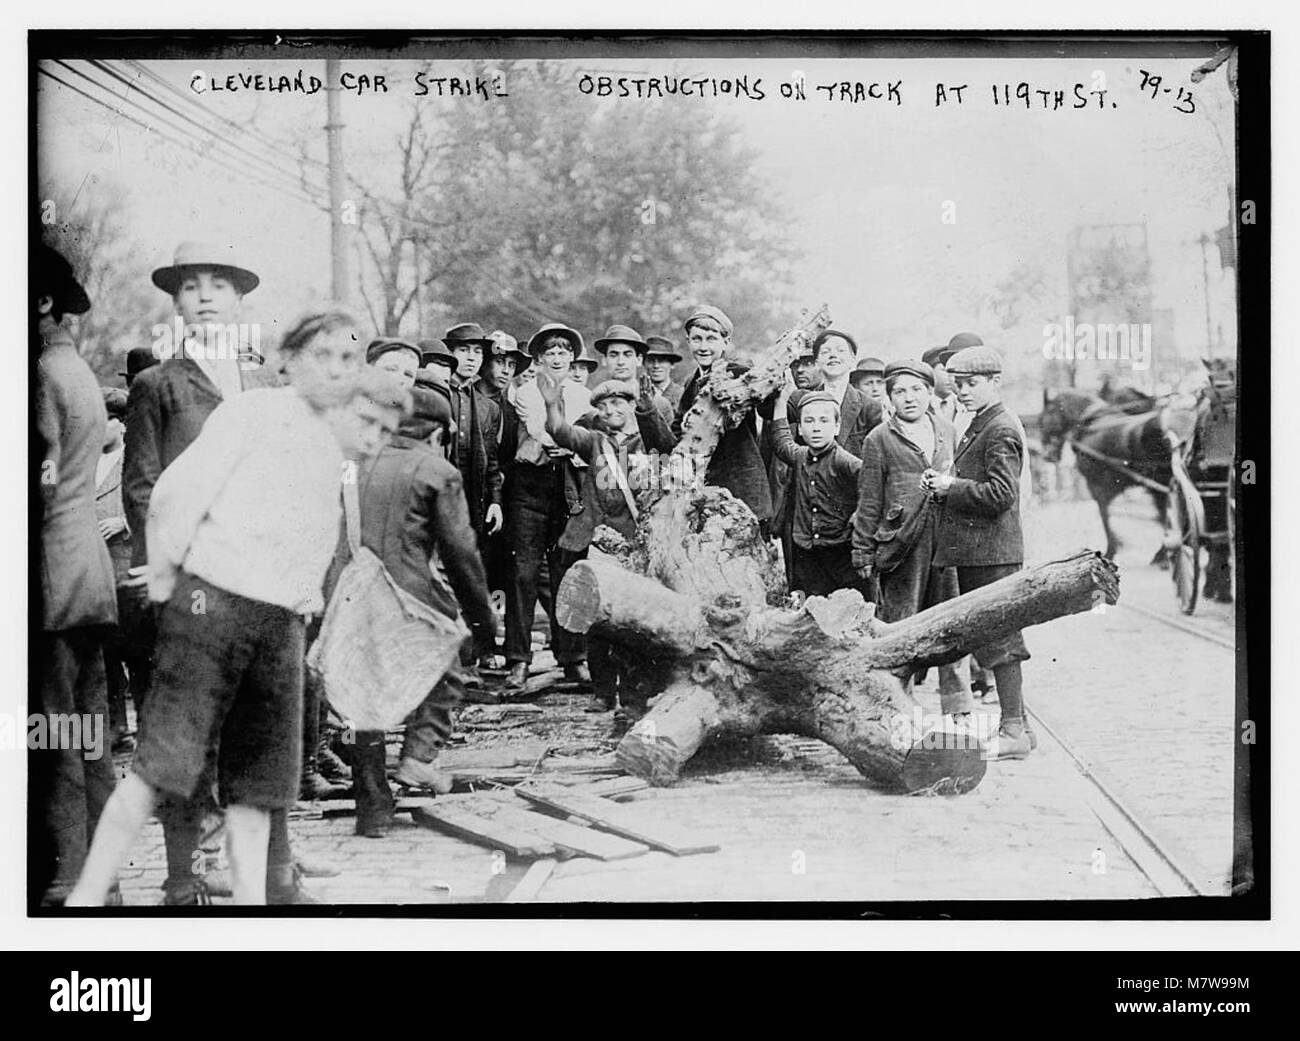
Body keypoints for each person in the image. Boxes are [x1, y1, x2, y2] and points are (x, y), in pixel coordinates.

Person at [67, 311, 388, 906]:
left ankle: (267, 889)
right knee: (170, 761)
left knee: (265, 768)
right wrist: (169, 575)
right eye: (322, 358)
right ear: (290, 360)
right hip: (208, 607)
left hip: (275, 617)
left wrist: (308, 596)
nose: (335, 372)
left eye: (347, 360)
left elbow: (314, 523)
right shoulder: (237, 408)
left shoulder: (320, 425)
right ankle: (154, 888)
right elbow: (159, 491)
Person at [122, 245, 321, 905]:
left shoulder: (270, 385)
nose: (205, 297)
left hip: (269, 589)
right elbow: (144, 490)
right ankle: (182, 879)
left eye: (219, 286)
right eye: (191, 287)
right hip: (199, 590)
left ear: (240, 302)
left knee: (270, 732)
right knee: (185, 738)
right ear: (175, 303)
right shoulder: (158, 386)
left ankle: (276, 878)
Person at [347, 386, 500, 836]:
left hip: (354, 591)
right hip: (410, 590)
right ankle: (418, 756)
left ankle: (372, 810)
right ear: (438, 433)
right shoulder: (437, 470)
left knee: (365, 695)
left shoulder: (355, 463)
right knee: (446, 670)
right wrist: (481, 621)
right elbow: (461, 554)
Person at [33, 245, 119, 908]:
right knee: (90, 734)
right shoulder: (76, 368)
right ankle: (102, 877)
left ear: (41, 303)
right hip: (88, 574)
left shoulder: (36, 373)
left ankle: (65, 877)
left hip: (49, 583)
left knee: (55, 731)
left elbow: (39, 479)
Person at [926, 345, 1033, 760]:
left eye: (971, 384)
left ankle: (1013, 732)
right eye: (958, 385)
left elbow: (1001, 494)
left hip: (991, 553)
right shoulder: (983, 422)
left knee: (1000, 639)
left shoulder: (1000, 428)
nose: (963, 392)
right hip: (981, 552)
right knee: (997, 637)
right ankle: (1020, 727)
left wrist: (952, 488)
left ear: (994, 382)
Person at [851, 360, 973, 719]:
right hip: (901, 545)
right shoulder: (879, 439)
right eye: (900, 391)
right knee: (901, 625)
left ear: (930, 392)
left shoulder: (947, 430)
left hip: (946, 542)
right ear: (890, 398)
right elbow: (869, 499)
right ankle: (897, 705)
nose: (909, 398)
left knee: (954, 620)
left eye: (916, 389)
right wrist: (863, 552)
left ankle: (959, 705)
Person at [503, 323, 593, 691]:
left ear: (572, 358)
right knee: (523, 573)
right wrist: (566, 441)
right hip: (530, 486)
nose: (557, 358)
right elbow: (540, 427)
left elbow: (586, 434)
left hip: (567, 485)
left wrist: (572, 446)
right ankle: (519, 661)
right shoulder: (524, 391)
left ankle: (572, 658)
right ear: (538, 359)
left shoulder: (583, 395)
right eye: (549, 353)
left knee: (566, 571)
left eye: (563, 352)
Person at [673, 305, 775, 531]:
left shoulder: (737, 372)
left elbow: (767, 408)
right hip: (706, 490)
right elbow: (677, 431)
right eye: (697, 339)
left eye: (711, 339)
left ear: (725, 343)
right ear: (688, 341)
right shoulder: (691, 384)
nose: (703, 347)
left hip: (742, 488)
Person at [768, 375, 864, 598]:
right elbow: (782, 443)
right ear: (800, 429)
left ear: (837, 426)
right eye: (809, 422)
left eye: (824, 421)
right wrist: (781, 402)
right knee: (812, 603)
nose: (817, 428)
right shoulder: (801, 455)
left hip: (840, 551)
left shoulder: (845, 461)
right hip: (808, 549)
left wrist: (859, 516)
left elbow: (874, 485)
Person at [94, 388, 139, 754]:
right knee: (106, 654)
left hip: (128, 570)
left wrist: (124, 521)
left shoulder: (135, 461)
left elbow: (154, 506)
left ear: (120, 424)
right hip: (97, 575)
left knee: (138, 654)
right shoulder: (88, 463)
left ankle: (150, 728)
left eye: (103, 418)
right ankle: (117, 727)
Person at [593, 324, 675, 429]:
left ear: (639, 360)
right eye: (614, 355)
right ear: (604, 360)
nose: (620, 362)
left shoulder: (658, 403)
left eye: (627, 355)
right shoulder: (596, 403)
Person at [643, 335, 684, 410]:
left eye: (662, 360)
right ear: (644, 363)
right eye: (651, 360)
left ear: (672, 364)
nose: (656, 365)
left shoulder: (683, 395)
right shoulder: (639, 395)